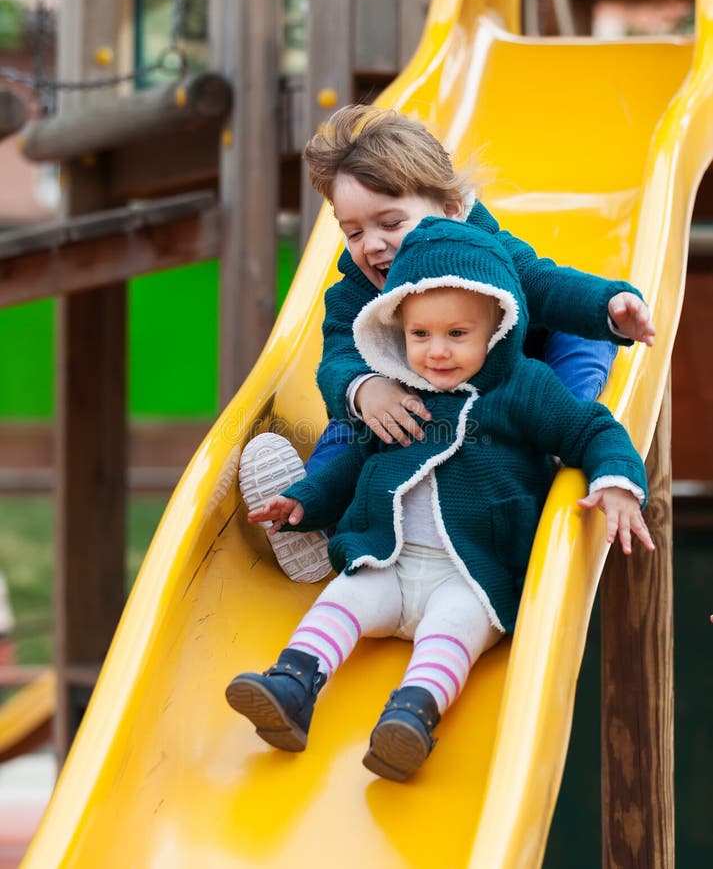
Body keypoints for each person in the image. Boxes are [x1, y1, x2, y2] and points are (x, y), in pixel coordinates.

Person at [226, 217, 654, 782]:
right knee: (343, 598)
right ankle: (292, 685)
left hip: (470, 576)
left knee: (452, 631)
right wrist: (307, 500)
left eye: (458, 335)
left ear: (497, 327)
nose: (438, 352)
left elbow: (590, 430)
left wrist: (618, 482)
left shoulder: (523, 387)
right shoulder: (402, 391)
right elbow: (357, 461)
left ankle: (411, 716)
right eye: (421, 335)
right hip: (391, 559)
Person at [238, 104, 656, 583]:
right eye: (353, 232)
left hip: (506, 397)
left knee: (579, 334)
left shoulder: (484, 252)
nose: (371, 244)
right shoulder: (356, 288)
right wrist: (364, 388)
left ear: (452, 208)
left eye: (391, 224)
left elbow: (543, 284)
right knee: (354, 423)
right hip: (416, 410)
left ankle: (560, 433)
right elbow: (337, 353)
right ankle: (313, 516)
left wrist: (609, 307)